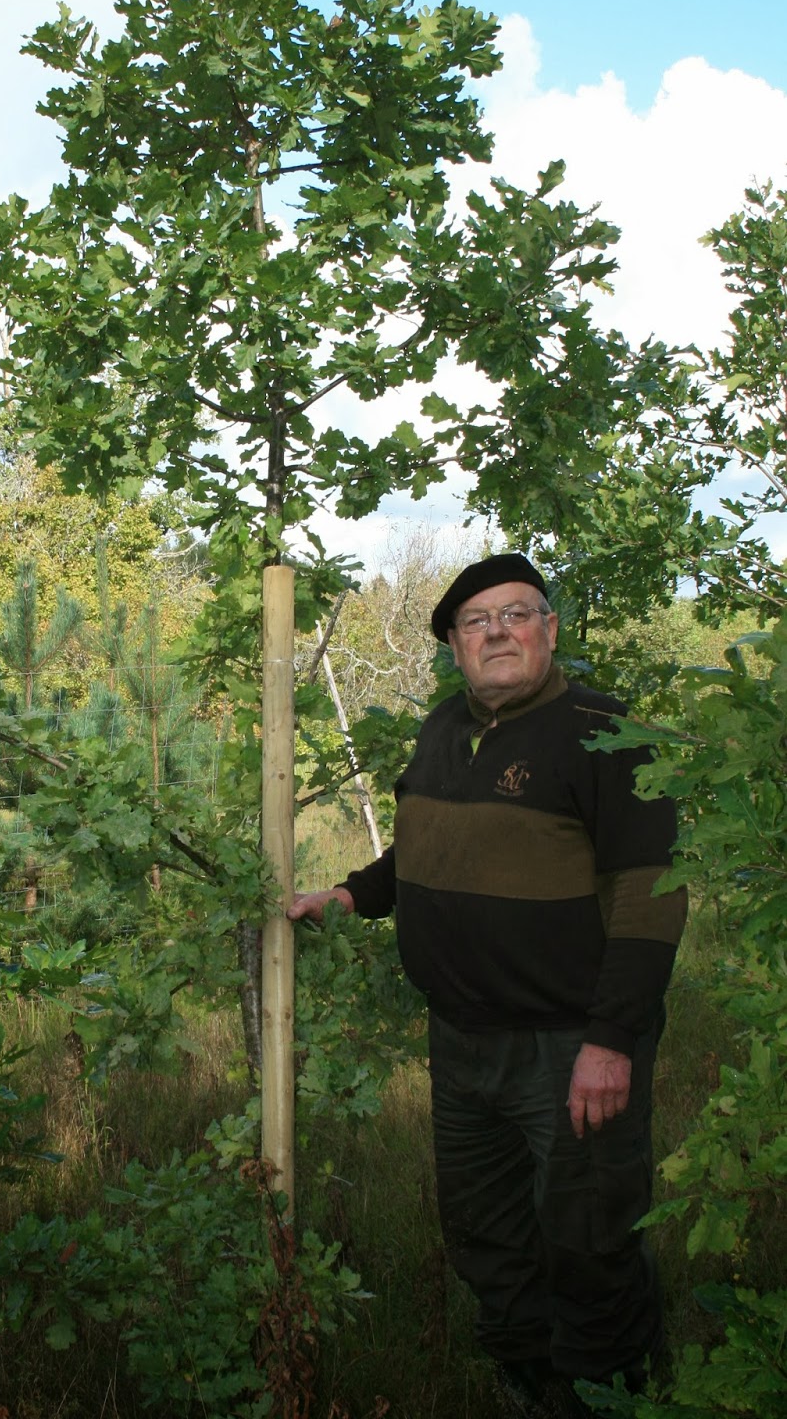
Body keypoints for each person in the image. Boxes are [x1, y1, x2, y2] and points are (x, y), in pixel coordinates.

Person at [288, 552, 686, 1419]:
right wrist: (352, 894)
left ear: (548, 629)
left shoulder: (605, 733)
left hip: (570, 1046)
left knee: (588, 1232)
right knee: (485, 1229)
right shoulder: (441, 729)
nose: (497, 631)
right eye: (476, 622)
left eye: (516, 613)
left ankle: (607, 1391)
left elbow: (648, 895)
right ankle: (526, 1376)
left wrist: (611, 1042)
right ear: (453, 647)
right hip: (462, 1039)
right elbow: (422, 851)